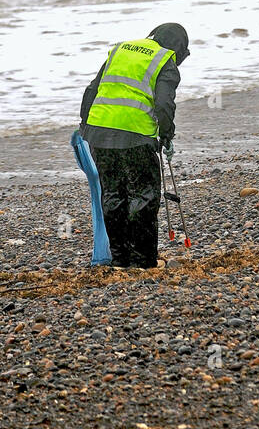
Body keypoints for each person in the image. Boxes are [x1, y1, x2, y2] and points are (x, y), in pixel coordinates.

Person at [79, 22, 189, 269]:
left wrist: (85, 126)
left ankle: (119, 259)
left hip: (99, 131)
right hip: (136, 135)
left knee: (113, 194)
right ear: (178, 48)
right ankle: (143, 262)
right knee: (144, 196)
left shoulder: (120, 50)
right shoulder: (165, 60)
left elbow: (91, 90)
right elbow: (163, 106)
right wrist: (166, 135)